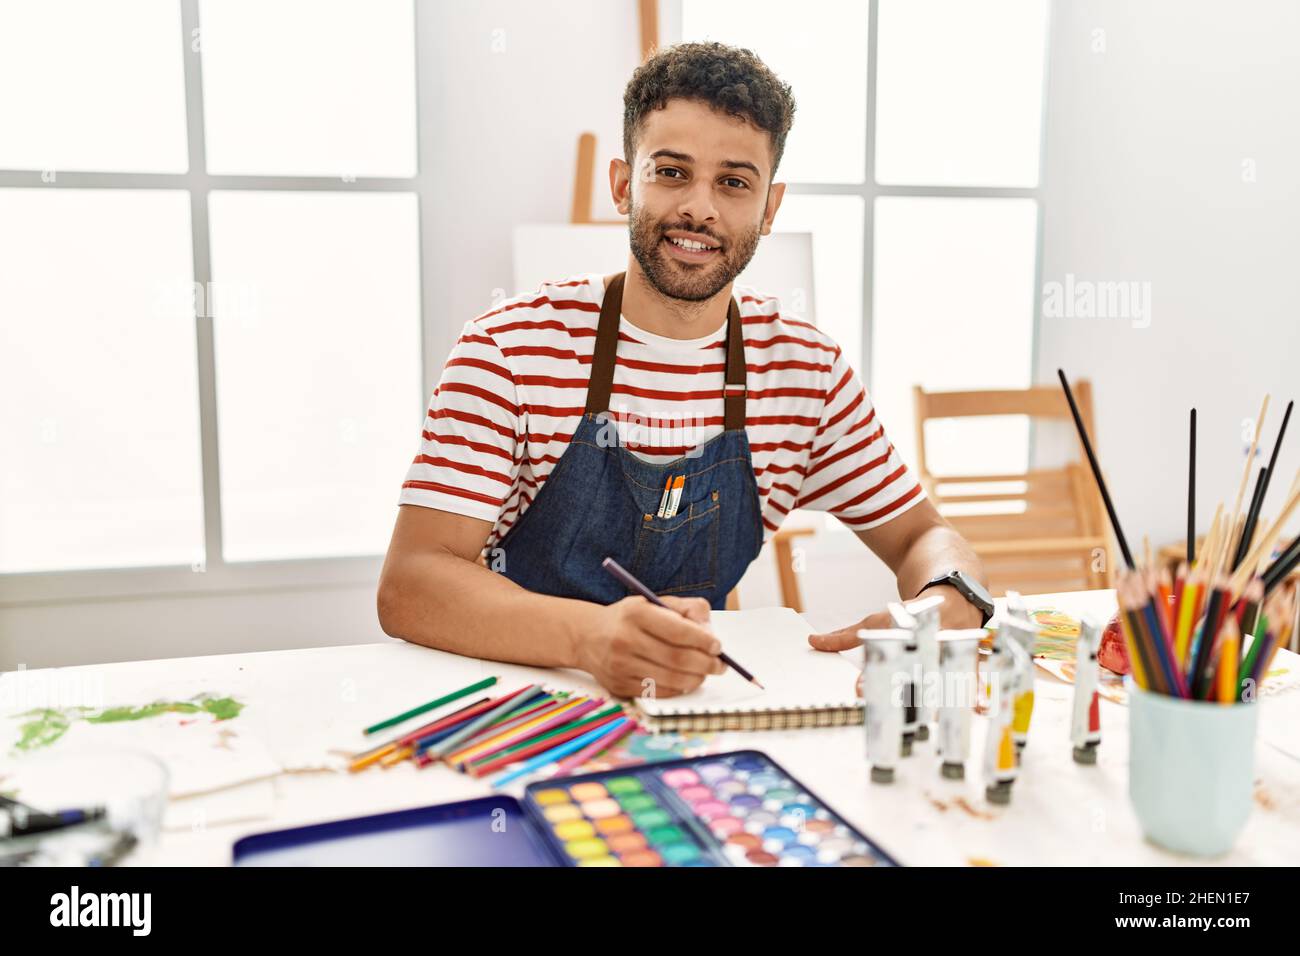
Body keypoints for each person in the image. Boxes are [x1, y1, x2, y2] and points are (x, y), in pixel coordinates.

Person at [378, 41, 990, 698]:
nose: (700, 208)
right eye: (671, 172)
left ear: (770, 207)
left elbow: (924, 535)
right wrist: (585, 636)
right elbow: (412, 583)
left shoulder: (804, 374)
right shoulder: (511, 347)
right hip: (524, 706)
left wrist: (948, 599)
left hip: (697, 706)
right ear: (622, 184)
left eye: (733, 182)